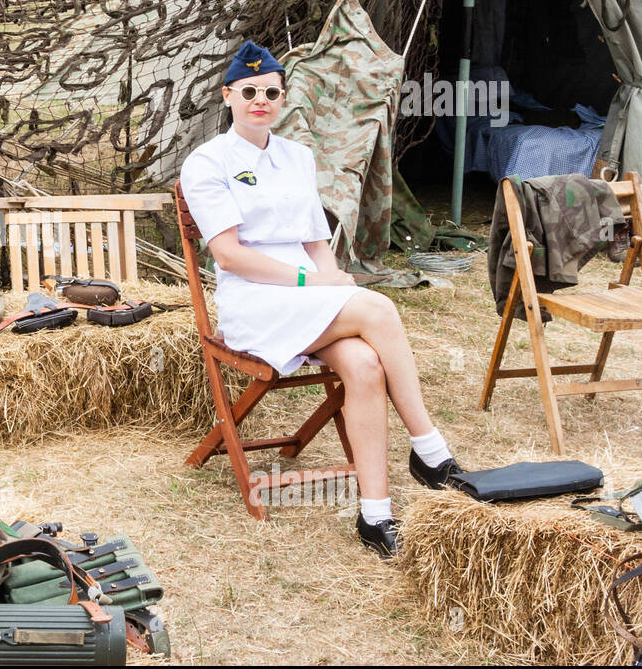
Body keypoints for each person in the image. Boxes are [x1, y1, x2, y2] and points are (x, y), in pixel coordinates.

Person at [180, 40, 464, 557]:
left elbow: (316, 242)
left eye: (270, 91)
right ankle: (430, 449)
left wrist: (330, 277)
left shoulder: (298, 157)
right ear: (228, 96)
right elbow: (229, 256)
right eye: (249, 92)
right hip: (256, 302)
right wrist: (317, 285)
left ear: (282, 97)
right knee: (378, 307)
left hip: (309, 301)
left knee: (364, 365)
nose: (260, 100)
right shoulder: (207, 162)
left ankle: (375, 515)